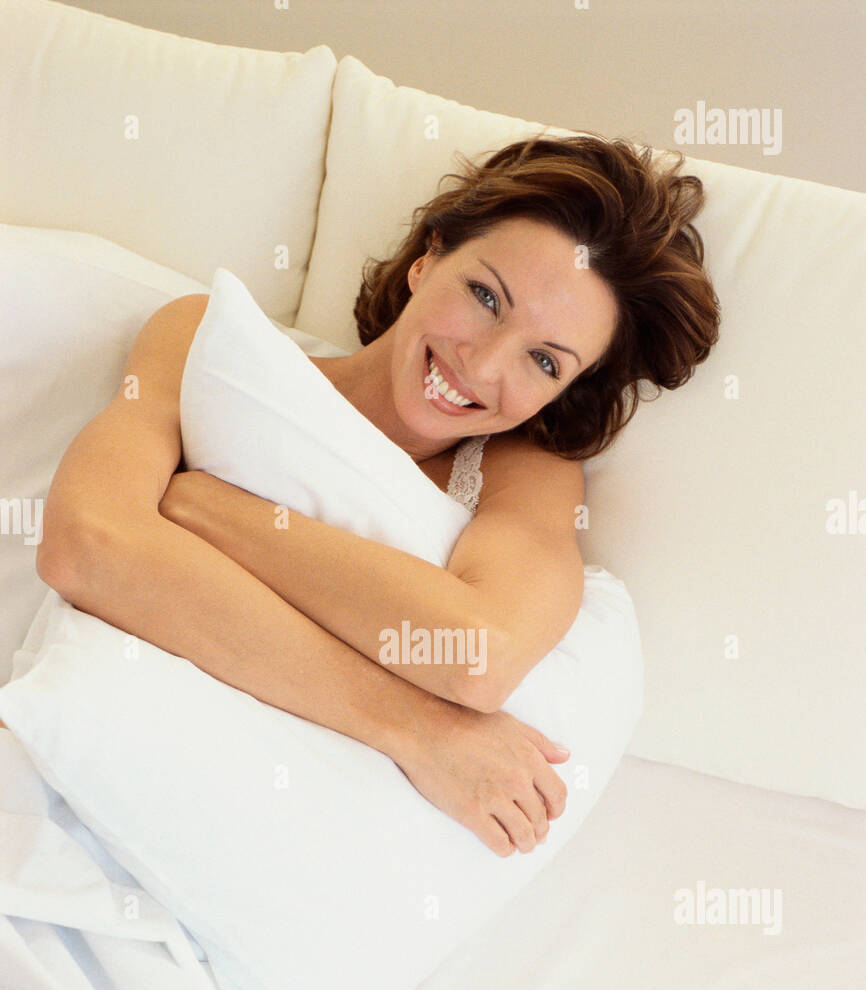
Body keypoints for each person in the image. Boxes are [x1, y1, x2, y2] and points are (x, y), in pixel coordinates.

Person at [28, 132, 720, 857]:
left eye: (544, 360)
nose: (482, 364)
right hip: (60, 763)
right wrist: (418, 728)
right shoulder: (207, 340)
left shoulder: (526, 476)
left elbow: (474, 657)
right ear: (429, 257)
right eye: (486, 297)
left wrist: (205, 507)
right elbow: (86, 546)